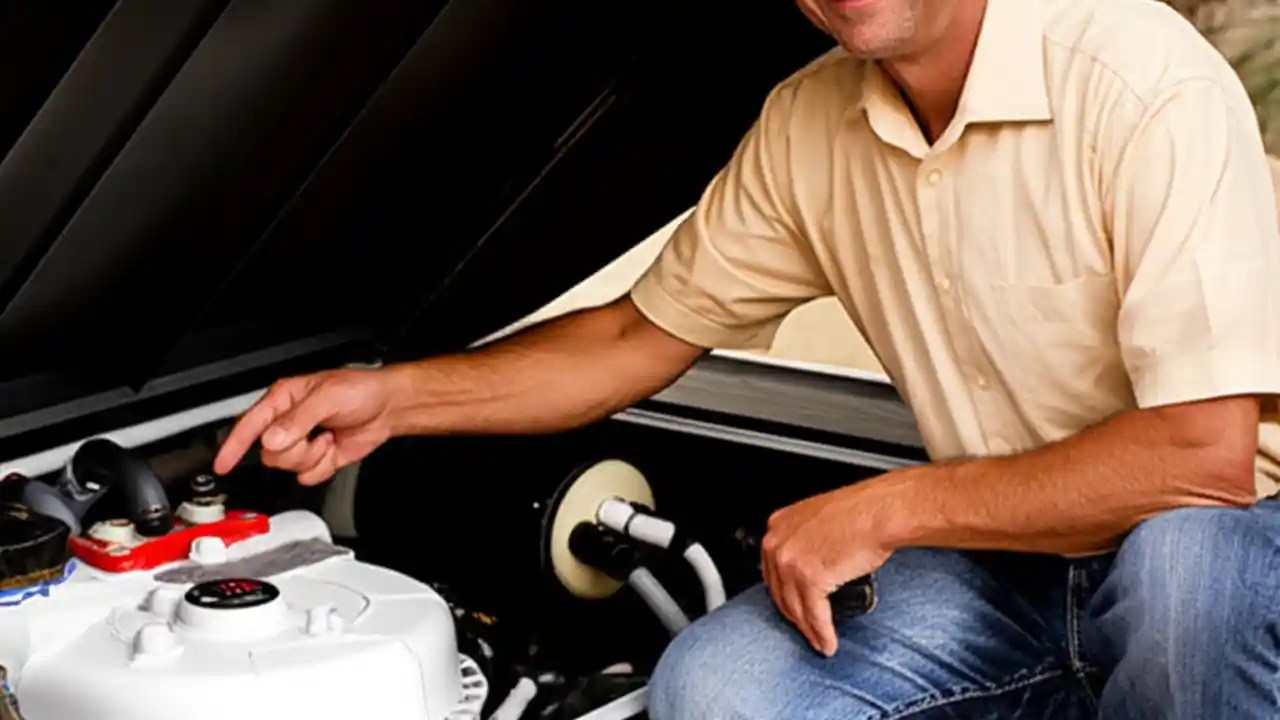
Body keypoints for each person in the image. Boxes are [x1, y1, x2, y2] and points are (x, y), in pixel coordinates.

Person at [214, 0, 1280, 716]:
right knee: (714, 687)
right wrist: (392, 399)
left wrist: (884, 508)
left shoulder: (1137, 76)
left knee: (1181, 581)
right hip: (1007, 560)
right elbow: (635, 337)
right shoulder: (807, 121)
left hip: (1230, 541)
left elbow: (1200, 459)